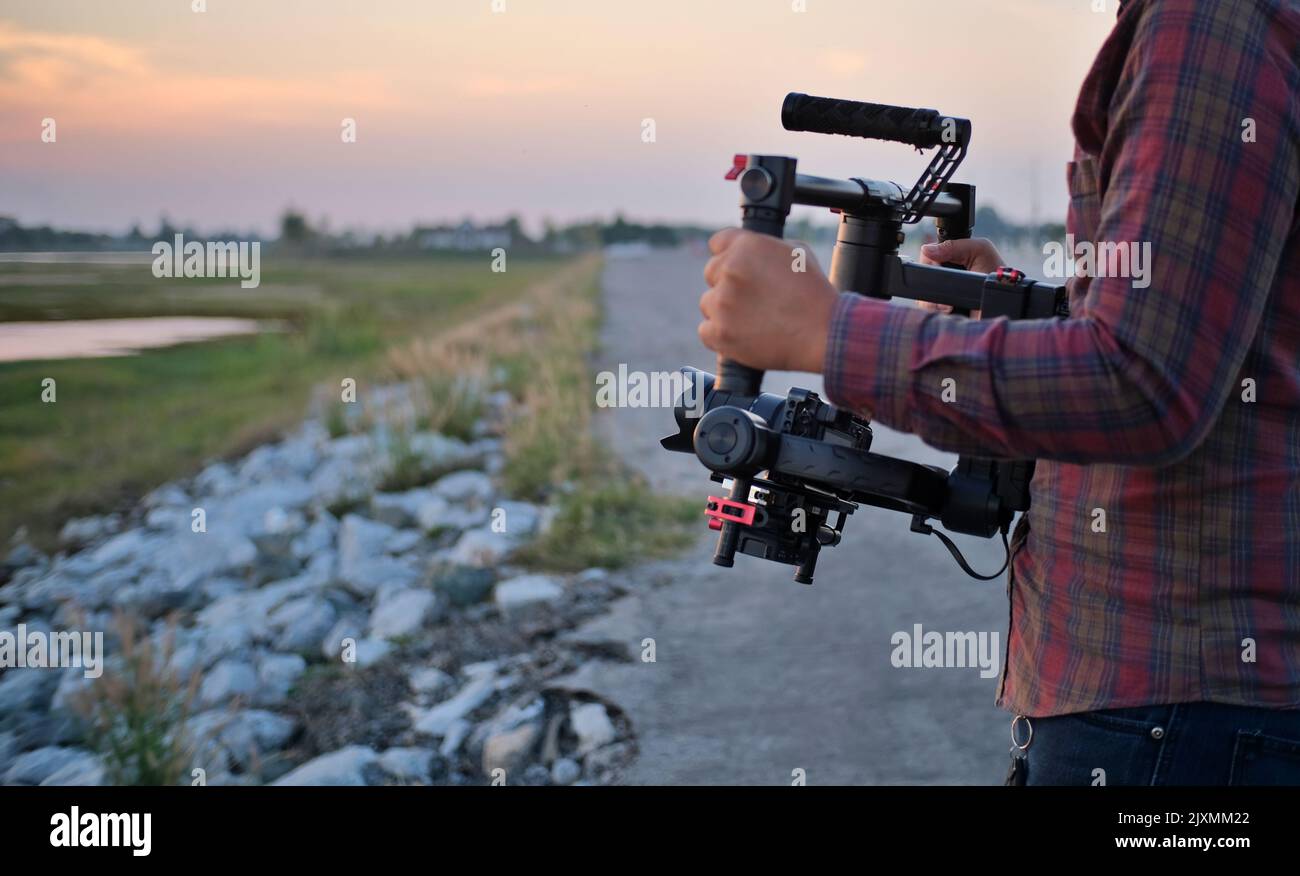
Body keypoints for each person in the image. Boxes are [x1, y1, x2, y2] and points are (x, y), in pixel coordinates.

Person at [696, 0, 1300, 785]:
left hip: (1177, 720)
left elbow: (1142, 384)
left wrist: (824, 331)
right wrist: (1022, 312)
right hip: (1182, 715)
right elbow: (1214, 333)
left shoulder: (1208, 23)